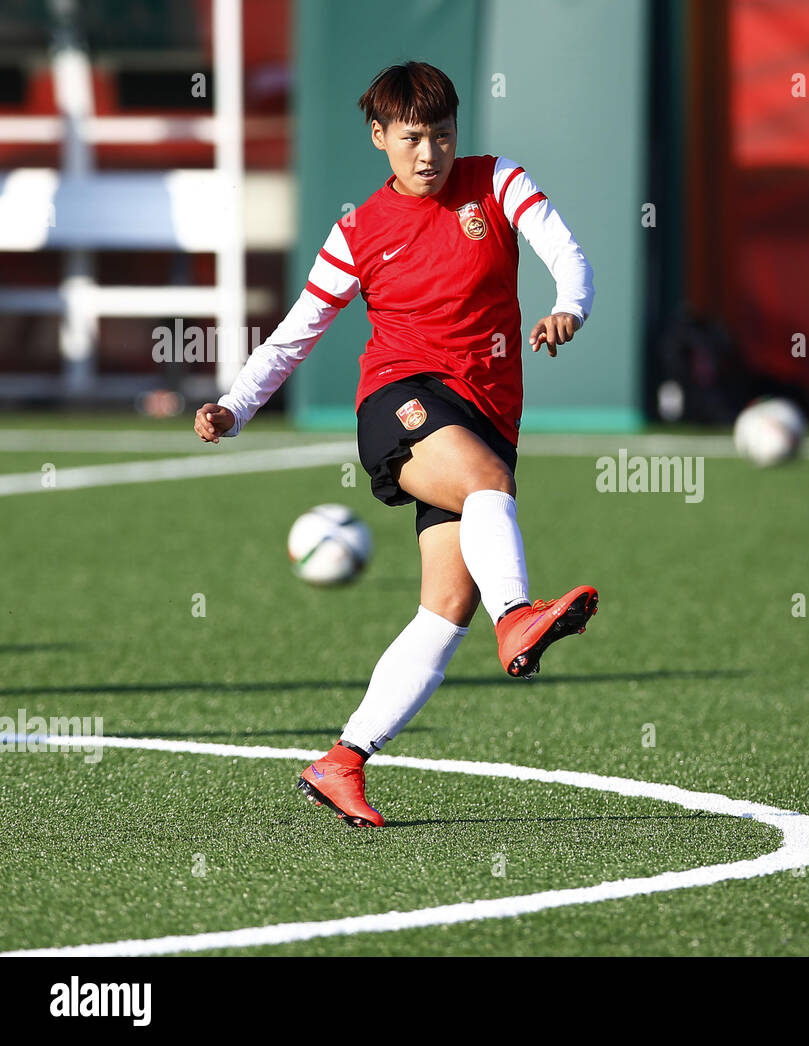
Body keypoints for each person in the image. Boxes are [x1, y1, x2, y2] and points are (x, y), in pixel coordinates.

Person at [193, 61, 597, 828]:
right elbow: (293, 336)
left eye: (442, 136)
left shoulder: (497, 183)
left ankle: (342, 761)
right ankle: (517, 616)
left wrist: (567, 308)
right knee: (486, 488)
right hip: (399, 401)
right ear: (379, 138)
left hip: (486, 414)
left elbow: (567, 253)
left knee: (445, 611)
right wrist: (235, 407)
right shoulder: (357, 232)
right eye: (412, 138)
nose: (429, 154)